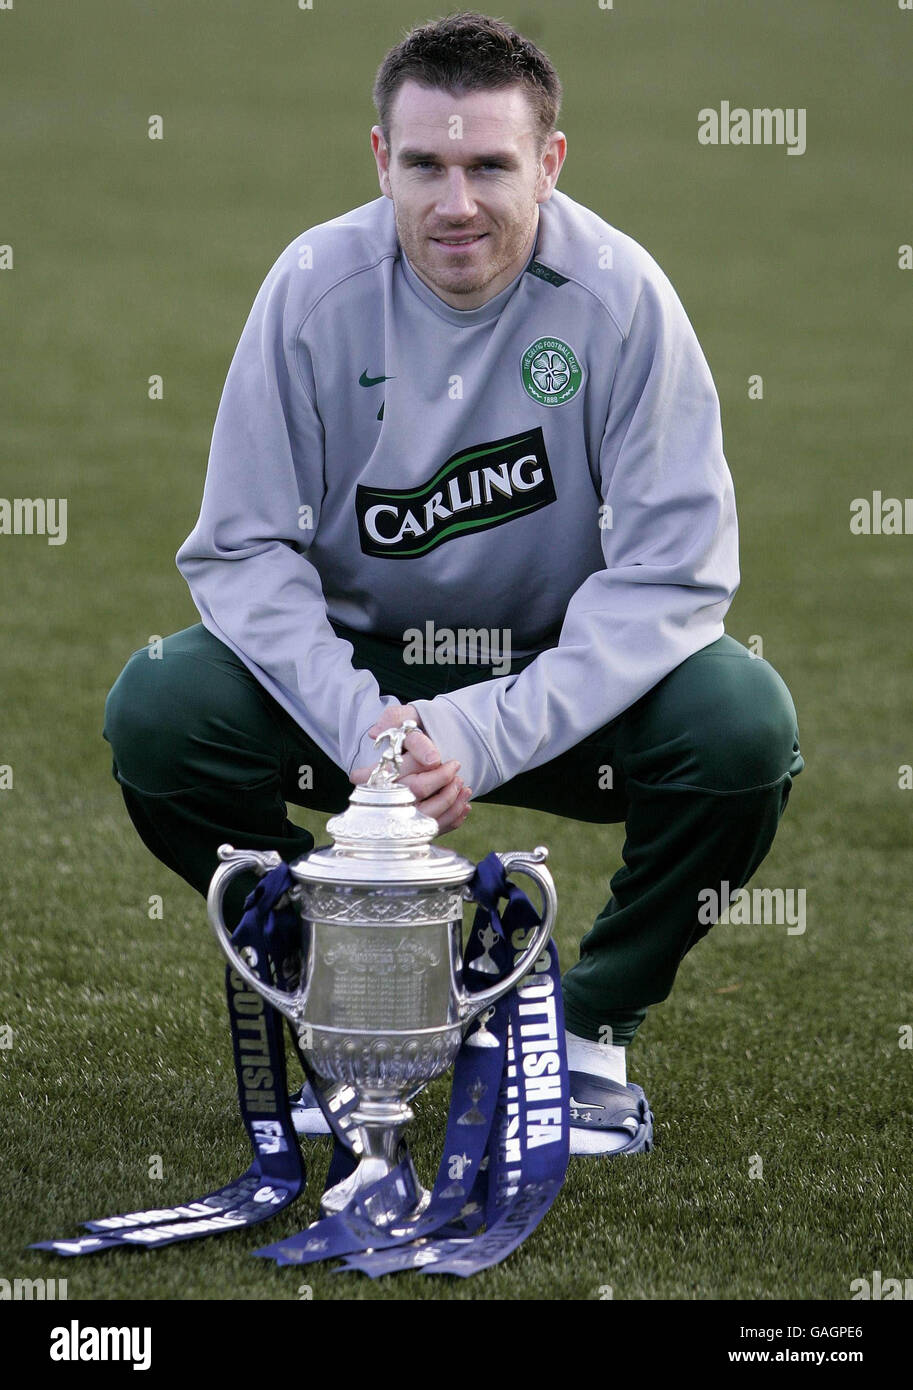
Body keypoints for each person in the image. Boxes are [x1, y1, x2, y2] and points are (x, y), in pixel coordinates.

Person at [104, 12, 804, 1157]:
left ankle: (582, 1036)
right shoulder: (312, 289)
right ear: (380, 158)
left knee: (739, 724)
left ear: (551, 161)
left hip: (558, 678)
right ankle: (346, 990)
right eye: (424, 164)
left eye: (490, 165)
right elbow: (240, 551)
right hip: (363, 680)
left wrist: (478, 729)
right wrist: (366, 730)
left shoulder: (623, 298)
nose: (456, 203)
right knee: (160, 711)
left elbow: (673, 576)